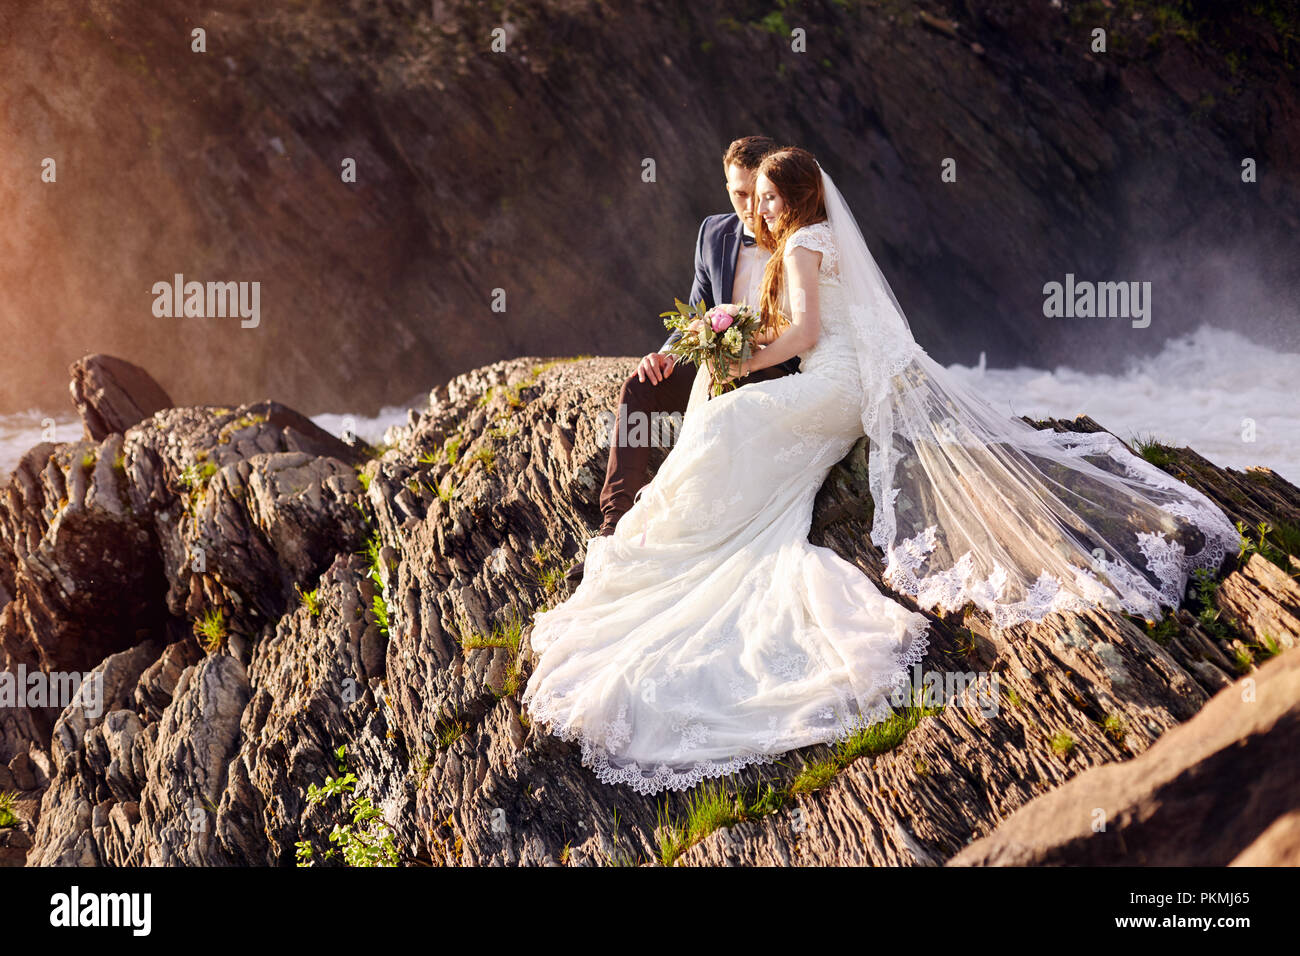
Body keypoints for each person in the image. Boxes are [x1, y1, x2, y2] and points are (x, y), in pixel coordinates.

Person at [523, 147, 1238, 796]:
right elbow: (813, 325)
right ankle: (682, 519)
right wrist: (721, 348)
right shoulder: (815, 237)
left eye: (768, 198)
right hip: (848, 385)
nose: (759, 210)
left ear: (794, 198)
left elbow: (802, 335)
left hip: (830, 388)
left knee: (731, 421)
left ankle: (689, 531)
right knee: (723, 419)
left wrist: (742, 361)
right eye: (752, 199)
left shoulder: (801, 245)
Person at [566, 136, 800, 583]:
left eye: (758, 192)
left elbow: (810, 328)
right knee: (641, 385)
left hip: (775, 376)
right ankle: (614, 531)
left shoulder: (800, 237)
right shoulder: (714, 232)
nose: (750, 205)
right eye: (739, 193)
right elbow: (696, 313)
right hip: (715, 366)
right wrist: (668, 353)